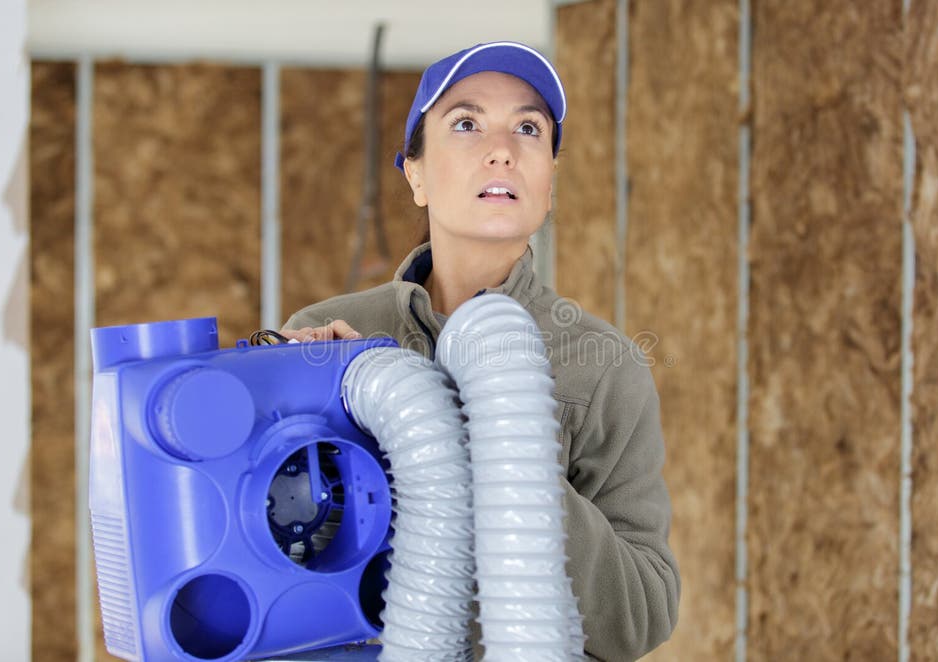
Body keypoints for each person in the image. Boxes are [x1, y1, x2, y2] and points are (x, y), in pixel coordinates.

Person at [281, 41, 679, 661]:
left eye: (528, 127)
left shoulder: (603, 366)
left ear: (549, 177)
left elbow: (641, 616)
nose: (502, 149)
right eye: (465, 124)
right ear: (415, 174)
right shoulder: (328, 339)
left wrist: (510, 448)